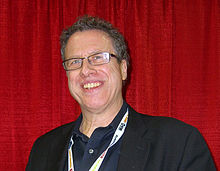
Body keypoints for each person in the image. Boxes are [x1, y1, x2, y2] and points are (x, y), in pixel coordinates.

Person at [26, 15, 216, 171]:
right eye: (75, 61)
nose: (85, 70)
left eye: (98, 58)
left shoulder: (178, 143)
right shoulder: (43, 149)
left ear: (123, 68)